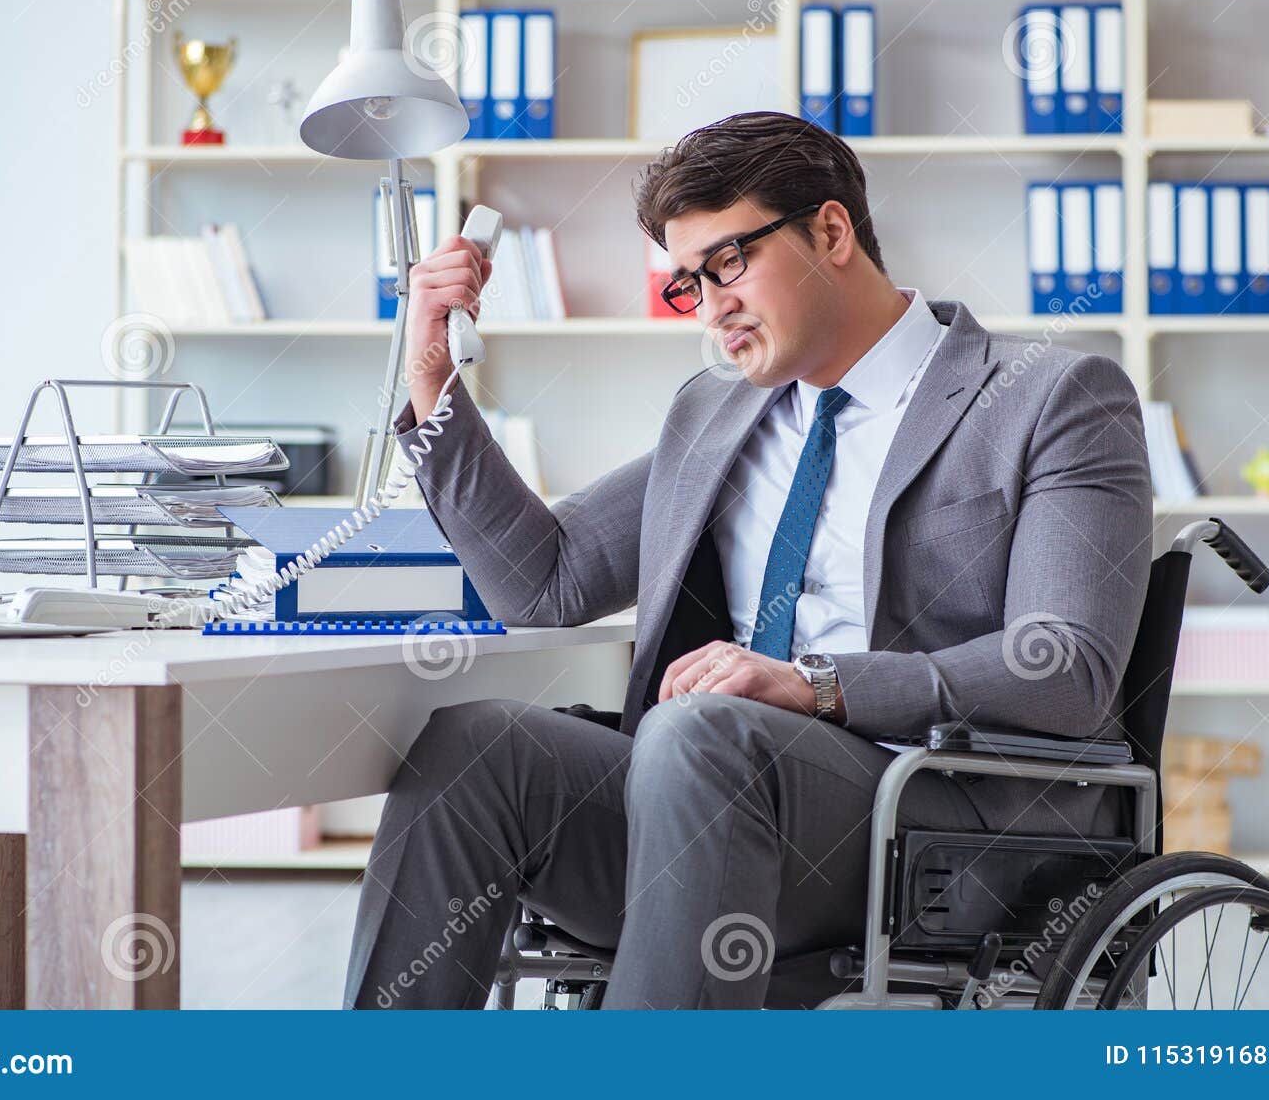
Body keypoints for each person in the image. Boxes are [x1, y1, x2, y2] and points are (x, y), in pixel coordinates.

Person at [343, 110, 1152, 1009]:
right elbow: (545, 581)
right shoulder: (717, 414)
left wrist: (816, 683)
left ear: (831, 231)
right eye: (690, 281)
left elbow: (1068, 668)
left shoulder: (1049, 397)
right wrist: (430, 375)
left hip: (936, 826)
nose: (713, 304)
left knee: (699, 729)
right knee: (476, 744)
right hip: (707, 805)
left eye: (729, 262)